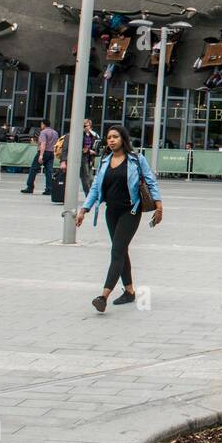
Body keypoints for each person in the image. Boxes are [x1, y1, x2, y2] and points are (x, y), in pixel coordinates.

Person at [76, 126, 163, 312]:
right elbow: (95, 187)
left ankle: (103, 296)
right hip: (111, 212)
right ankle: (129, 291)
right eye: (109, 137)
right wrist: (84, 209)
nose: (111, 140)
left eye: (115, 137)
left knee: (116, 251)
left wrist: (159, 206)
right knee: (121, 251)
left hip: (131, 211)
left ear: (123, 139)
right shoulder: (105, 162)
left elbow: (151, 181)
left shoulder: (136, 160)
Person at [22, 119, 58, 195]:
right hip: (51, 153)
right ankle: (49, 189)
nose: (41, 126)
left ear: (44, 124)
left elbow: (43, 143)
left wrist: (41, 155)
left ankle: (30, 187)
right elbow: (56, 144)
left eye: (41, 124)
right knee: (49, 171)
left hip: (43, 152)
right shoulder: (55, 133)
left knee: (33, 169)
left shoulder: (43, 132)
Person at [80, 119, 101, 184]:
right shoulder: (81, 134)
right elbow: (80, 147)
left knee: (89, 175)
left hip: (91, 157)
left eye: (86, 125)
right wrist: (89, 151)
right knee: (86, 174)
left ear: (90, 126)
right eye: (84, 126)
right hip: (83, 156)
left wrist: (95, 152)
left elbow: (98, 144)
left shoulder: (94, 135)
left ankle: (89, 188)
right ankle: (88, 189)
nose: (85, 127)